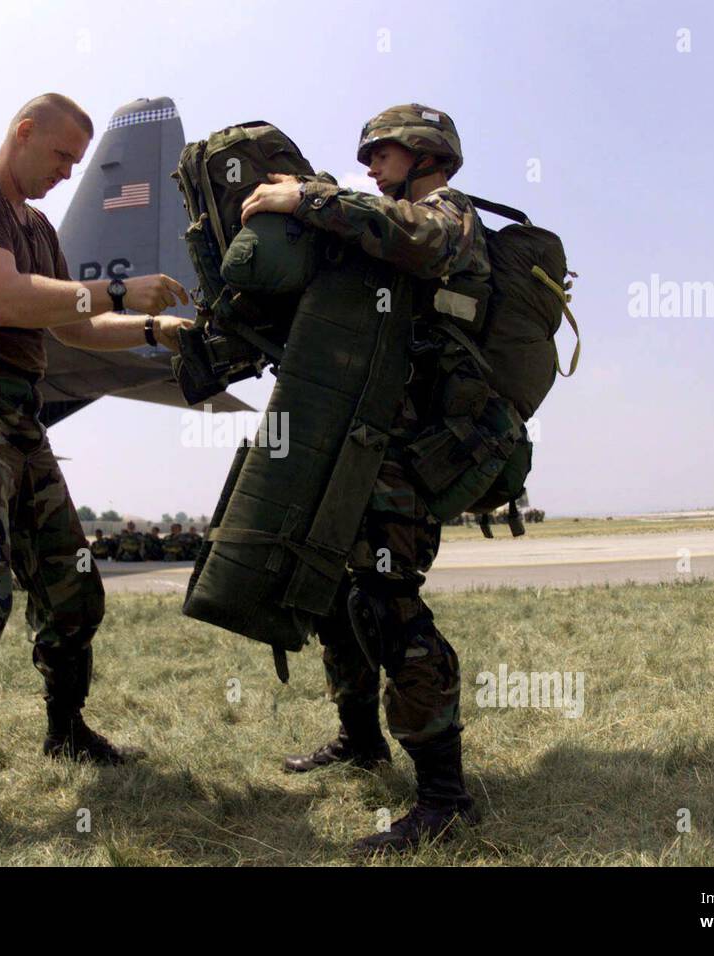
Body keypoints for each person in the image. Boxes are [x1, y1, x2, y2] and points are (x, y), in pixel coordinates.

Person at [0, 92, 191, 842]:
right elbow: (5, 299)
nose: (66, 172)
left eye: (77, 163)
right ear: (23, 133)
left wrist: (155, 327)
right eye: (60, 156)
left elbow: (78, 328)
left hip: (15, 417)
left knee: (72, 589)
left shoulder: (39, 229)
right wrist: (119, 287)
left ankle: (66, 730)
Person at [240, 104, 491, 854]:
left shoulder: (447, 215)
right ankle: (360, 741)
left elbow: (417, 238)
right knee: (342, 596)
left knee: (387, 604)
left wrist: (309, 198)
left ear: (422, 154)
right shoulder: (388, 218)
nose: (372, 170)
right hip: (371, 445)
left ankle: (446, 799)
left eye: (380, 156)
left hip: (414, 457)